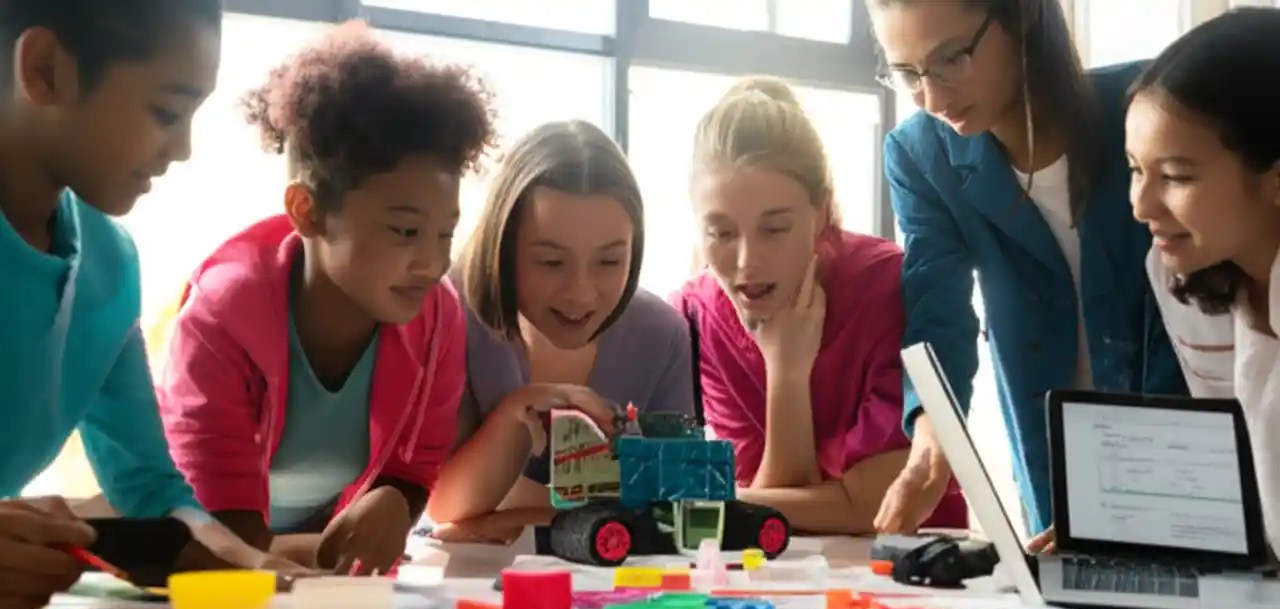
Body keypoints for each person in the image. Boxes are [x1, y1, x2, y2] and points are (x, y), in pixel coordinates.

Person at [0, 0, 312, 609]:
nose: (184, 149)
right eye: (166, 111)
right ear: (45, 71)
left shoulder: (108, 265)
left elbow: (148, 485)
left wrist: (253, 568)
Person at [157, 22, 497, 574]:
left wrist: (398, 500)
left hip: (304, 554)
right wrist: (300, 561)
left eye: (445, 234)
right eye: (406, 232)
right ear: (308, 212)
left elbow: (414, 467)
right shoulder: (220, 318)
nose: (434, 265)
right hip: (200, 553)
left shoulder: (437, 314)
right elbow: (221, 538)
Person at [867, 0, 1188, 536]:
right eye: (907, 73)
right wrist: (931, 445)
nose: (932, 96)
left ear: (1021, 15)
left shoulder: (1146, 113)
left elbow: (1196, 301)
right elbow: (937, 314)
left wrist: (1127, 499)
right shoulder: (921, 154)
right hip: (1048, 453)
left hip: (1181, 450)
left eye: (951, 58)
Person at [674, 76, 967, 535]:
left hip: (916, 566)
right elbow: (769, 510)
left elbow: (869, 509)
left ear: (822, 212)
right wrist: (785, 371)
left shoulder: (888, 287)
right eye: (722, 233)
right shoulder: (699, 316)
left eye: (774, 229)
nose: (747, 262)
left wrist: (712, 499)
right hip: (786, 576)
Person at [426, 120, 695, 542]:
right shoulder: (451, 314)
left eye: (609, 262)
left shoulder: (662, 335)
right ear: (504, 247)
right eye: (551, 262)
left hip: (620, 580)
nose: (580, 293)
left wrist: (515, 506)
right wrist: (519, 409)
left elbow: (677, 501)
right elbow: (445, 503)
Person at [1122, 7, 1280, 553]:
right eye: (1135, 169)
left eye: (1175, 177)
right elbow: (1240, 478)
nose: (1140, 205)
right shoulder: (1181, 274)